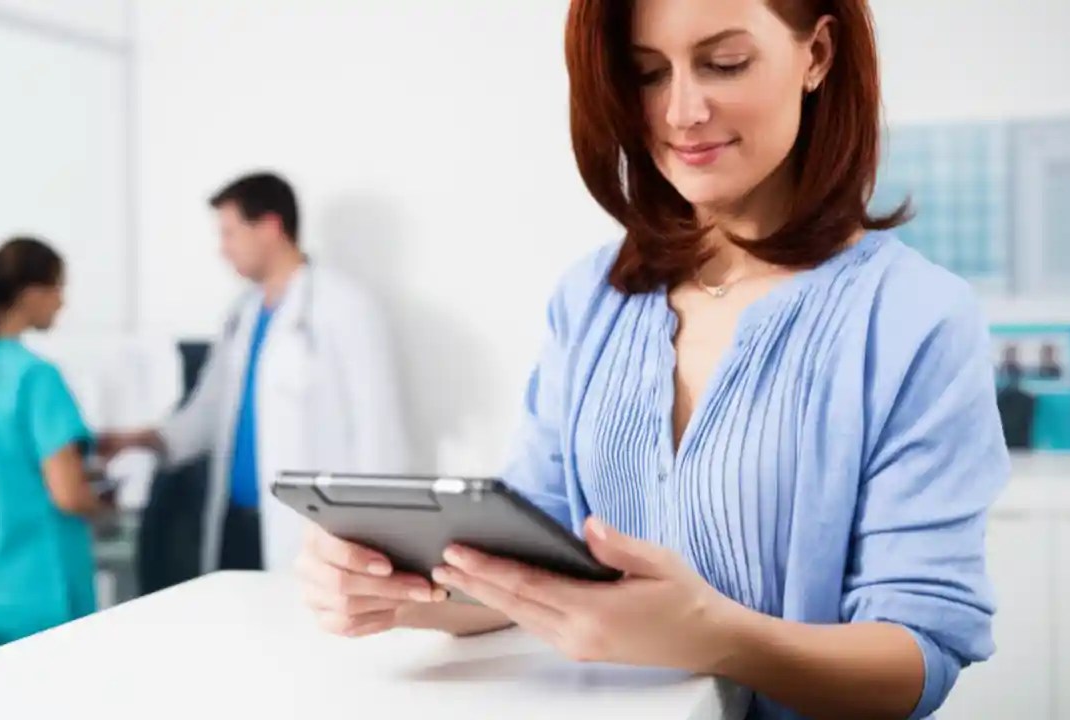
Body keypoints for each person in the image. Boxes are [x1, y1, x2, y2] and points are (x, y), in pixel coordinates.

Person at [294, 1, 1007, 719]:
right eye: (645, 75)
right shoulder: (594, 298)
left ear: (817, 55)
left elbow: (919, 653)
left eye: (725, 63)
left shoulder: (916, 318)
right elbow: (535, 557)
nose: (681, 112)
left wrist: (717, 638)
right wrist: (399, 586)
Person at [101, 171, 409, 574]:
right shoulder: (241, 315)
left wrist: (382, 545)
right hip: (236, 525)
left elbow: (379, 434)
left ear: (269, 227)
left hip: (314, 531)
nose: (222, 249)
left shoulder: (345, 307)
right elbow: (207, 414)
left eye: (229, 233)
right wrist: (143, 439)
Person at [0, 238, 109, 651]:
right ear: (31, 295)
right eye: (58, 289)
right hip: (42, 593)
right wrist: (105, 508)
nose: (63, 303)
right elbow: (68, 495)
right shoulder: (36, 376)